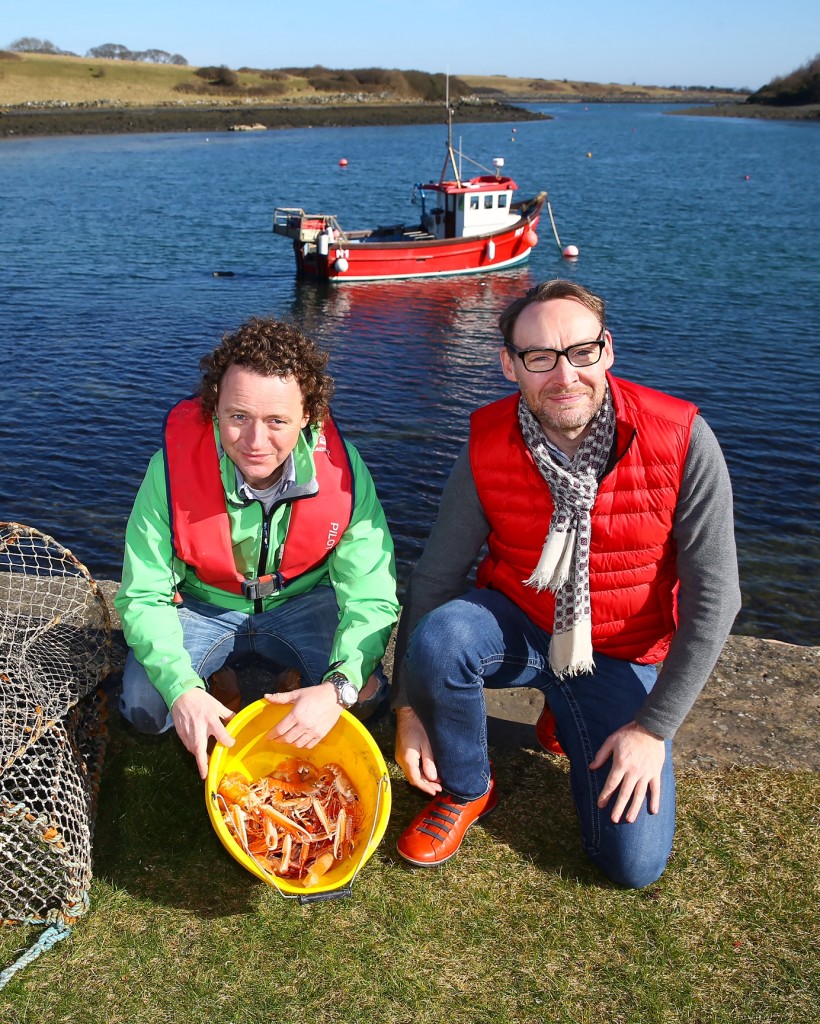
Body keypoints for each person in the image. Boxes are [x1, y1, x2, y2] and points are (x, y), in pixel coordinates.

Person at [392, 279, 741, 889]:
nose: (565, 375)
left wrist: (652, 729)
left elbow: (716, 599)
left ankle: (575, 712)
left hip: (618, 649)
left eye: (581, 352)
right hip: (519, 623)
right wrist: (407, 706)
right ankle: (469, 787)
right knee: (443, 636)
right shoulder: (486, 440)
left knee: (632, 863)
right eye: (540, 358)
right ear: (510, 366)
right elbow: (437, 577)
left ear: (606, 350)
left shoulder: (680, 436)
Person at [116, 317, 399, 778]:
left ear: (307, 416)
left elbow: (370, 593)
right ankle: (216, 678)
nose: (254, 442)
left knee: (364, 699)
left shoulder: (344, 474)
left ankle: (299, 684)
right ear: (214, 409)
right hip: (204, 605)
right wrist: (182, 687)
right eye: (238, 417)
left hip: (301, 603)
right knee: (147, 709)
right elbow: (143, 592)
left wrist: (335, 689)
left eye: (277, 421)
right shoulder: (168, 471)